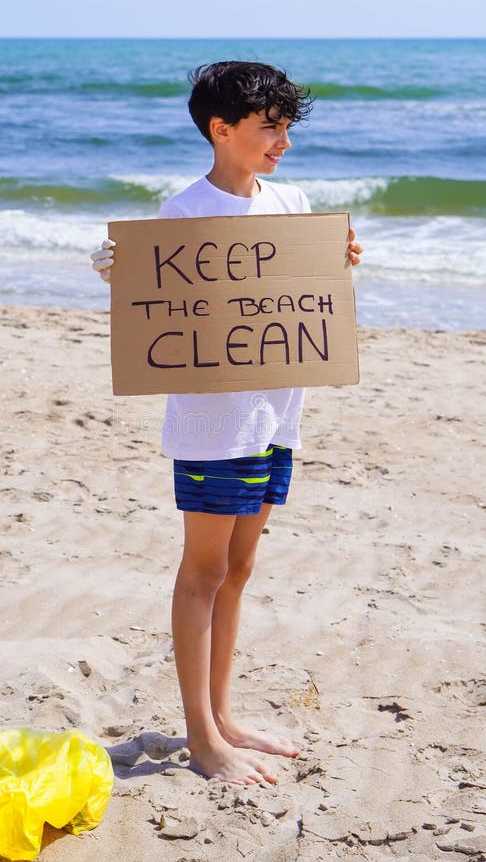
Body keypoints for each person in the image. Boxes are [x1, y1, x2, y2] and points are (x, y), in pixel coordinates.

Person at [91, 61, 362, 786]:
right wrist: (122, 272)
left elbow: (297, 296)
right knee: (204, 571)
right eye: (270, 128)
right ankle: (204, 741)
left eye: (286, 128)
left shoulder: (293, 200)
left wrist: (337, 264)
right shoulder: (182, 214)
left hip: (278, 415)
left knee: (239, 570)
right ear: (222, 129)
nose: (283, 142)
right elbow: (156, 298)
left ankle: (222, 714)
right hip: (216, 425)